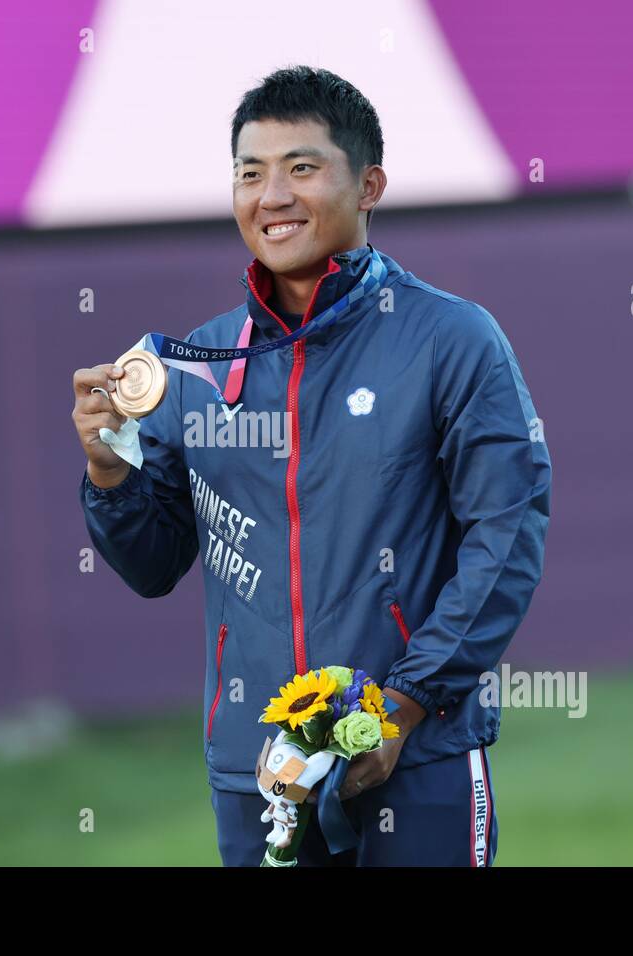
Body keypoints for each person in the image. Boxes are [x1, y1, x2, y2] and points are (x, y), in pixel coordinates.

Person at [71, 66, 550, 866]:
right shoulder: (201, 362)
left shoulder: (451, 340)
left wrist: (402, 707)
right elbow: (153, 565)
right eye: (249, 173)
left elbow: (505, 540)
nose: (272, 196)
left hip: (416, 752)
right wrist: (109, 470)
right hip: (261, 775)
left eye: (301, 167)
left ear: (369, 185)